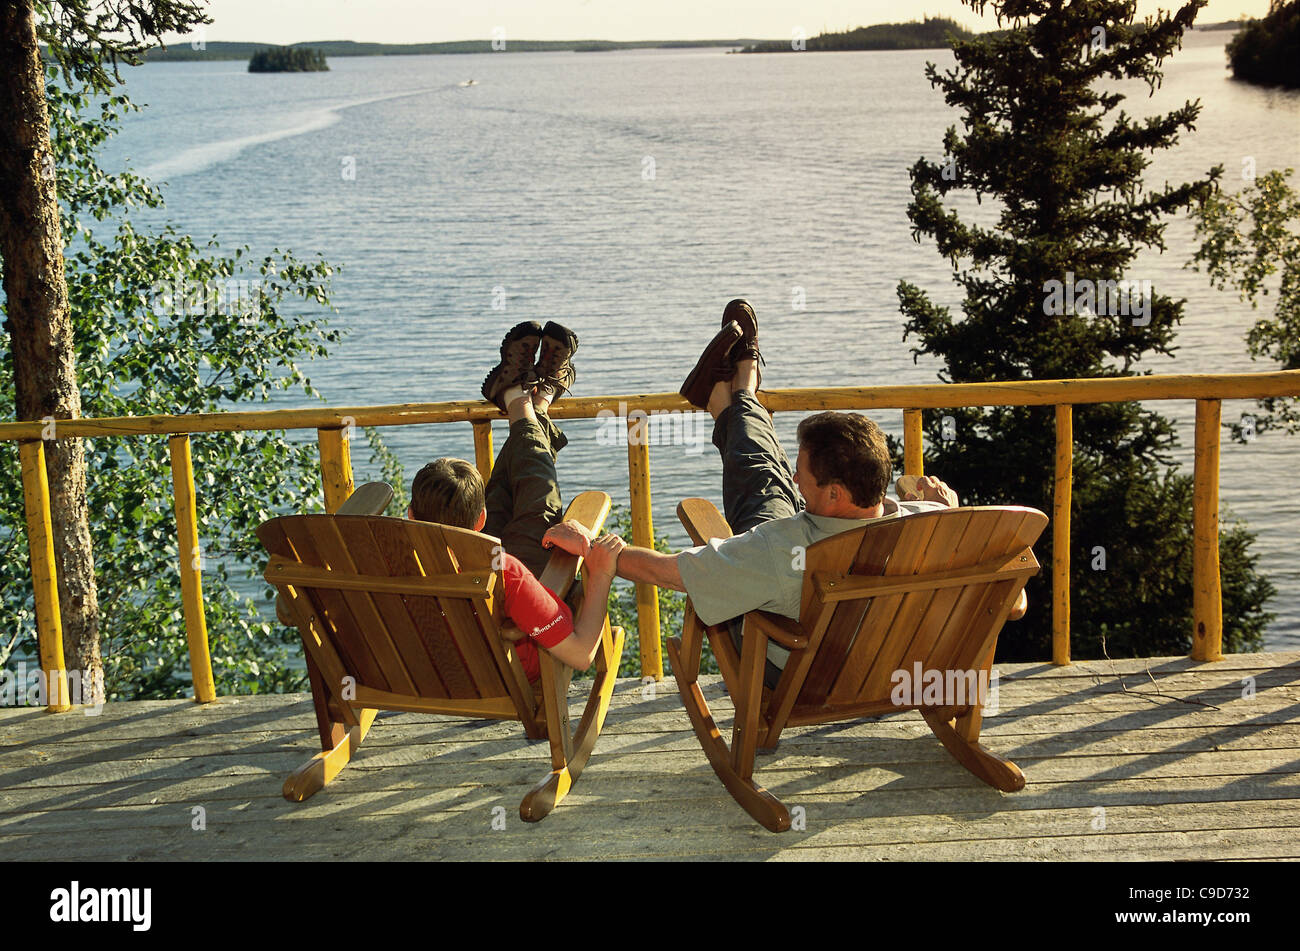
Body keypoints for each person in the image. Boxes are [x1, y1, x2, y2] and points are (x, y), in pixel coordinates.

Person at [542, 299, 988, 687]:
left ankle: (733, 393)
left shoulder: (780, 548)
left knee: (762, 482)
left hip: (802, 673)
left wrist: (603, 552)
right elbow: (1015, 601)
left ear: (834, 495)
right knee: (765, 477)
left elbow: (670, 573)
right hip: (894, 670)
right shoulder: (934, 526)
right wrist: (949, 512)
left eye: (806, 476)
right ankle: (733, 396)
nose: (798, 481)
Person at [407, 320, 624, 681]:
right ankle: (525, 402)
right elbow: (582, 653)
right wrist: (598, 570)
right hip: (509, 669)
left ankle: (524, 400)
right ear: (481, 521)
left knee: (526, 487)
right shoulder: (510, 574)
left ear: (412, 515)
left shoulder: (382, 561)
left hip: (436, 675)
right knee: (536, 490)